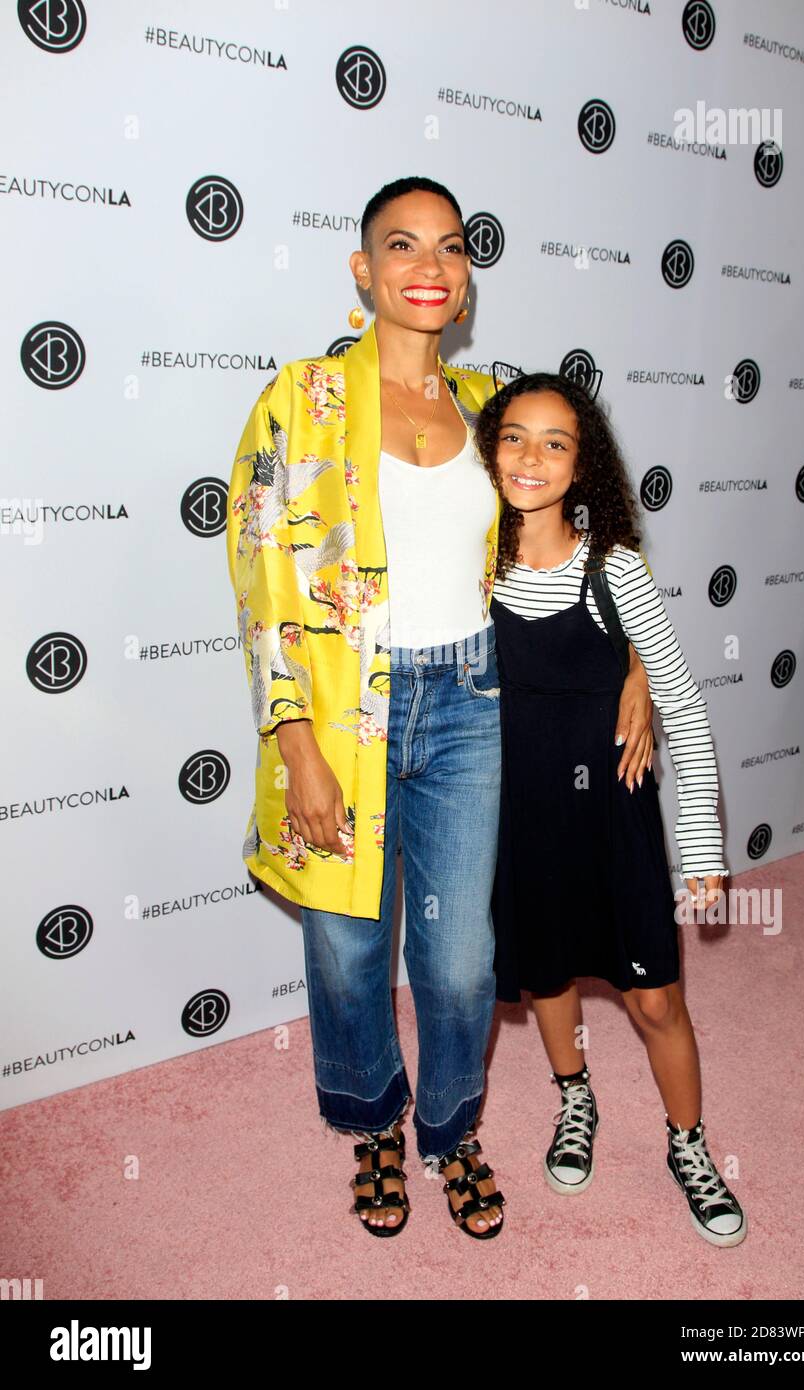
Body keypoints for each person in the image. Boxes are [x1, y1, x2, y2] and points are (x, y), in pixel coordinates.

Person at [226, 178, 655, 1238]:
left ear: (465, 278)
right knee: (346, 945)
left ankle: (452, 1127)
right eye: (401, 245)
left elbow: (576, 532)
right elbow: (262, 570)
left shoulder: (488, 405)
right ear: (362, 271)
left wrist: (634, 656)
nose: (429, 265)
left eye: (451, 247)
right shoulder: (302, 396)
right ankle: (373, 1117)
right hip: (336, 715)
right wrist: (295, 740)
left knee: (460, 953)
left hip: (471, 698)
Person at [474, 371, 748, 1247]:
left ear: (582, 464)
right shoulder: (466, 571)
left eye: (557, 442)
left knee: (657, 1001)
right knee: (548, 978)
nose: (532, 457)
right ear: (488, 449)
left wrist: (702, 840)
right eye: (515, 436)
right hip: (519, 821)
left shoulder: (615, 569)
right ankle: (574, 1096)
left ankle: (690, 1144)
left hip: (614, 819)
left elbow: (686, 703)